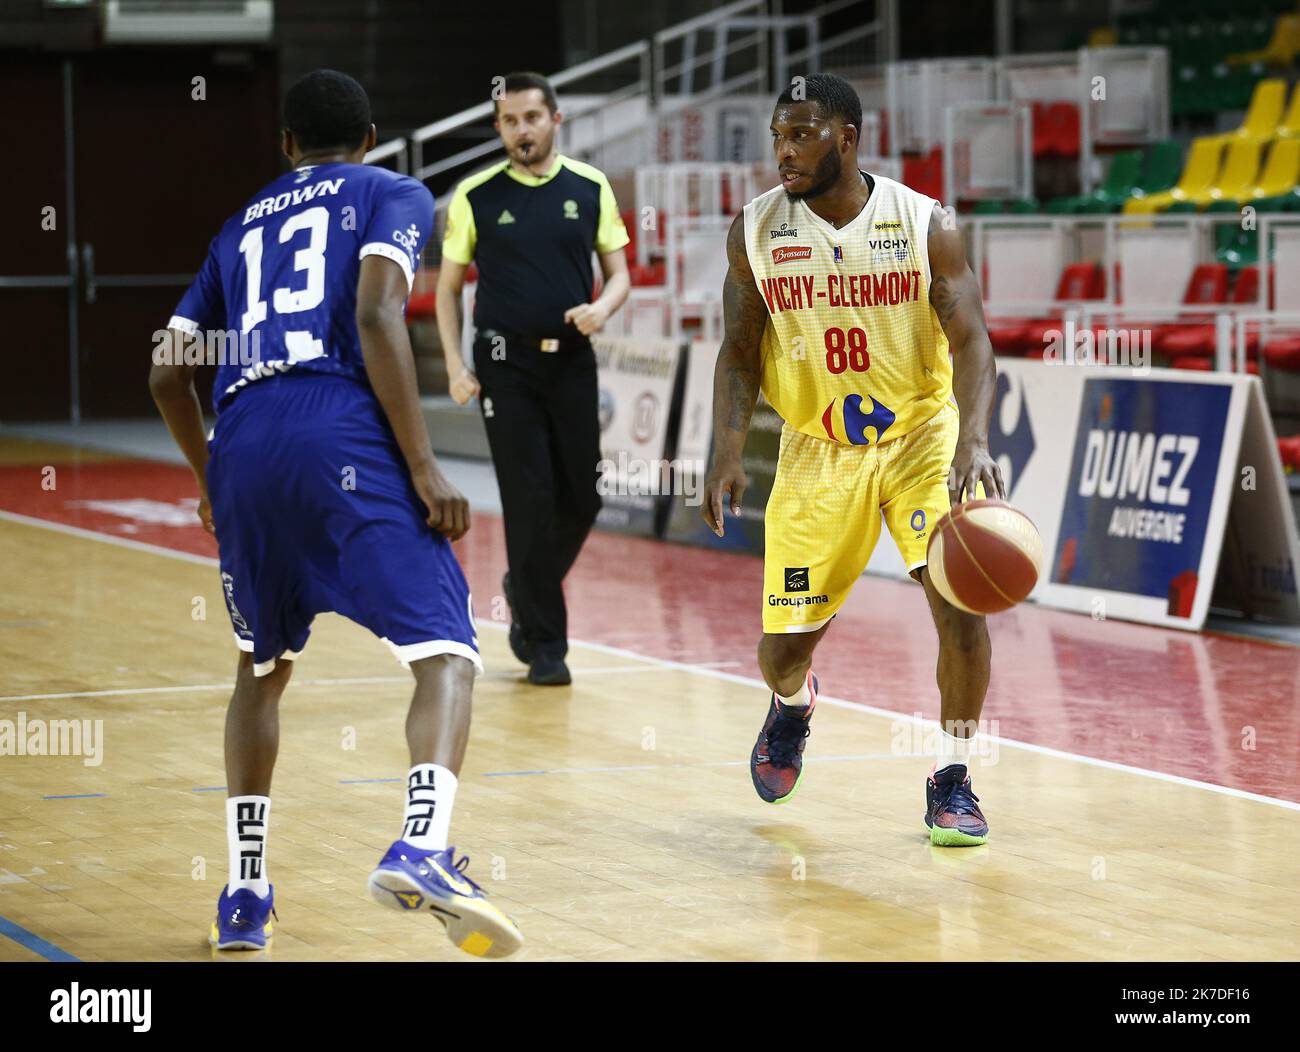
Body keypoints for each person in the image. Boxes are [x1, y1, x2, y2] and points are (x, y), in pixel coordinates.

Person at [149, 69, 522, 956]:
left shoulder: (238, 226)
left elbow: (167, 371)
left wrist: (210, 477)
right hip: (339, 435)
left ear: (285, 145)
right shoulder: (393, 190)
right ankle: (423, 846)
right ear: (371, 137)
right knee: (447, 654)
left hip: (242, 445)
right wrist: (425, 467)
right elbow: (377, 311)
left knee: (260, 668)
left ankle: (243, 896)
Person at [701, 73, 1006, 846]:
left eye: (800, 134)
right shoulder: (756, 231)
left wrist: (971, 437)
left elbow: (972, 338)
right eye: (777, 135)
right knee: (780, 653)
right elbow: (739, 354)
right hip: (816, 448)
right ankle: (793, 706)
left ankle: (953, 778)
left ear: (846, 137)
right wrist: (724, 452)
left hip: (919, 436)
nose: (784, 151)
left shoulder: (924, 224)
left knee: (959, 603)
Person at [436, 71, 630, 687]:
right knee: (529, 499)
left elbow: (619, 273)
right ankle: (547, 646)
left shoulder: (590, 187)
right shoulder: (476, 195)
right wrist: (454, 365)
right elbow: (446, 290)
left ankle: (524, 585)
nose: (522, 130)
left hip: (572, 359)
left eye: (531, 118)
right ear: (499, 128)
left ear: (555, 120)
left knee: (584, 494)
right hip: (503, 364)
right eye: (510, 121)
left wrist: (604, 307)